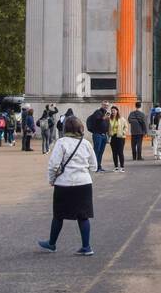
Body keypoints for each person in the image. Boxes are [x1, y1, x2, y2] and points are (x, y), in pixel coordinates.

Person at [38, 116, 95, 255]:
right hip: (84, 182)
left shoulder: (61, 142)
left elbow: (54, 165)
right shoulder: (86, 143)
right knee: (83, 215)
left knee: (58, 215)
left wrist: (51, 179)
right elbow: (94, 165)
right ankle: (86, 247)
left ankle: (52, 243)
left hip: (64, 182)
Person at [87, 102, 110, 172]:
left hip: (104, 135)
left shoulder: (106, 113)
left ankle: (99, 166)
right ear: (102, 105)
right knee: (96, 151)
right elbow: (97, 120)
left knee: (101, 152)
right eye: (105, 105)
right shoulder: (97, 112)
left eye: (107, 105)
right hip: (97, 135)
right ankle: (95, 167)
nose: (106, 106)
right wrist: (103, 118)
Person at [107, 106, 127, 171]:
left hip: (120, 137)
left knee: (120, 152)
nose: (113, 112)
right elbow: (108, 128)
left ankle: (122, 167)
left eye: (114, 110)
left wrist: (123, 133)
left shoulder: (122, 119)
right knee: (114, 152)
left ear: (117, 111)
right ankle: (116, 167)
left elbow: (126, 127)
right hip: (112, 137)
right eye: (112, 111)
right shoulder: (109, 119)